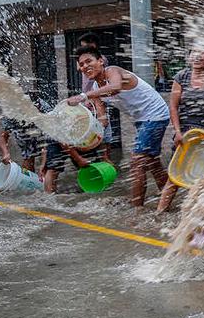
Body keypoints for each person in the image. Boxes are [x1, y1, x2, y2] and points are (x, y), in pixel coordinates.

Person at [65, 46, 175, 207]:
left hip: (156, 114)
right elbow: (102, 120)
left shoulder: (112, 71)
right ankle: (167, 193)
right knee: (151, 161)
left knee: (137, 162)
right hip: (141, 120)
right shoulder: (95, 89)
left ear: (100, 61)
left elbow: (115, 87)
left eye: (89, 61)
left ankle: (137, 209)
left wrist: (82, 96)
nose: (85, 66)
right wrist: (89, 137)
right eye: (81, 64)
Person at [157, 49, 204, 213]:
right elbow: (173, 106)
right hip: (185, 133)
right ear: (189, 57)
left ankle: (200, 214)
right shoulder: (181, 77)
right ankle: (160, 213)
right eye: (194, 53)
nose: (197, 56)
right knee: (175, 174)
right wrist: (177, 131)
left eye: (202, 53)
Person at [77, 33, 116, 161]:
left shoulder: (100, 60)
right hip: (89, 102)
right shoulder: (84, 63)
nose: (84, 65)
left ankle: (106, 161)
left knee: (104, 133)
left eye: (85, 46)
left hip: (98, 101)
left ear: (93, 45)